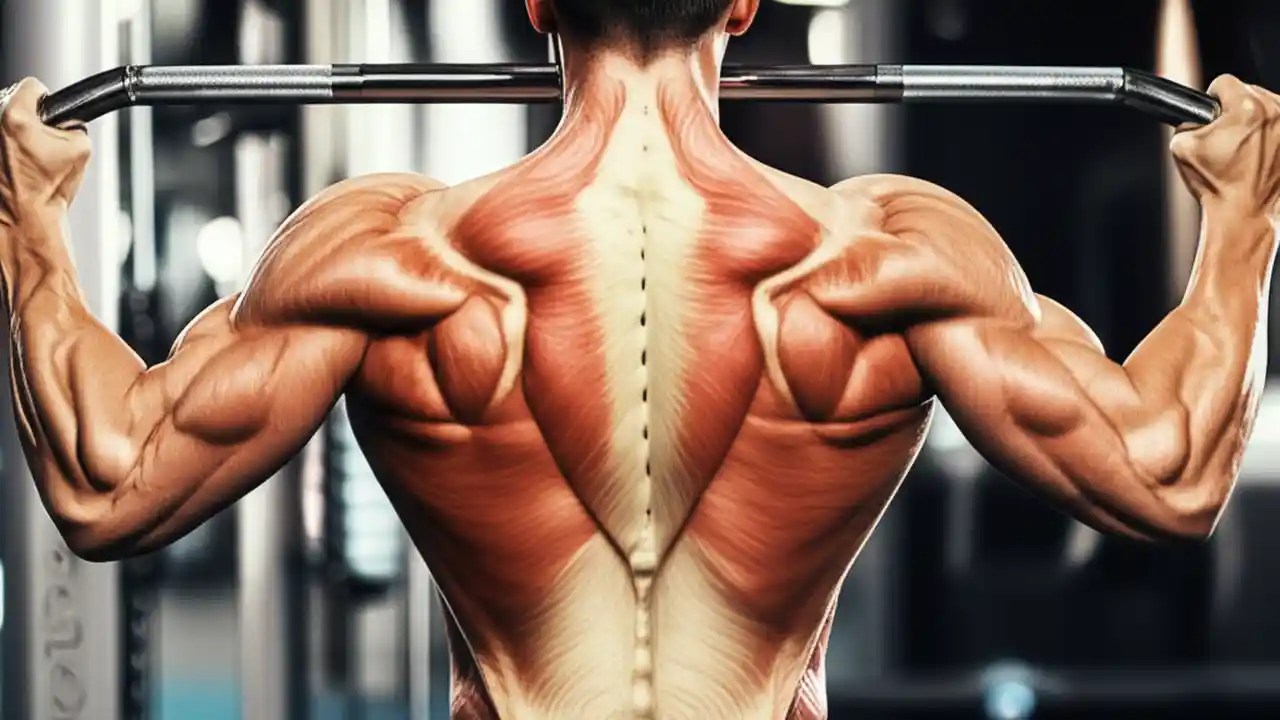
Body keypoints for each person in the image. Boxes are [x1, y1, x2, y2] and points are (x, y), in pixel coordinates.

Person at [1, 0, 1277, 717]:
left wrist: (31, 222)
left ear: (538, 0)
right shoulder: (887, 259)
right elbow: (1162, 474)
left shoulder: (397, 261)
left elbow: (111, 481)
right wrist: (1239, 218)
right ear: (741, 2)